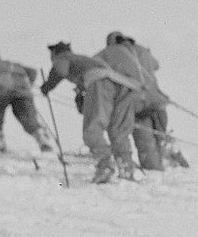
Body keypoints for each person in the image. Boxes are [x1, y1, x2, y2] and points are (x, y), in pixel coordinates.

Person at [40, 41, 137, 183]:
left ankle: (105, 165)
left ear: (54, 53)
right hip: (123, 84)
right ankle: (126, 169)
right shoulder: (85, 59)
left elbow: (60, 71)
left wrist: (47, 86)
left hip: (99, 82)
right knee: (118, 130)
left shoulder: (63, 58)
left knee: (92, 129)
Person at [104, 31, 170, 171]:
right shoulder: (141, 50)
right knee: (161, 137)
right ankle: (175, 160)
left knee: (146, 142)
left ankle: (154, 169)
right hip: (158, 101)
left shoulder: (118, 56)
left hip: (139, 104)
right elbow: (156, 65)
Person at [0, 49, 54, 153]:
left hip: (1, 90)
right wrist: (29, 84)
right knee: (27, 116)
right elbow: (32, 72)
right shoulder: (12, 64)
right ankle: (42, 139)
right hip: (23, 89)